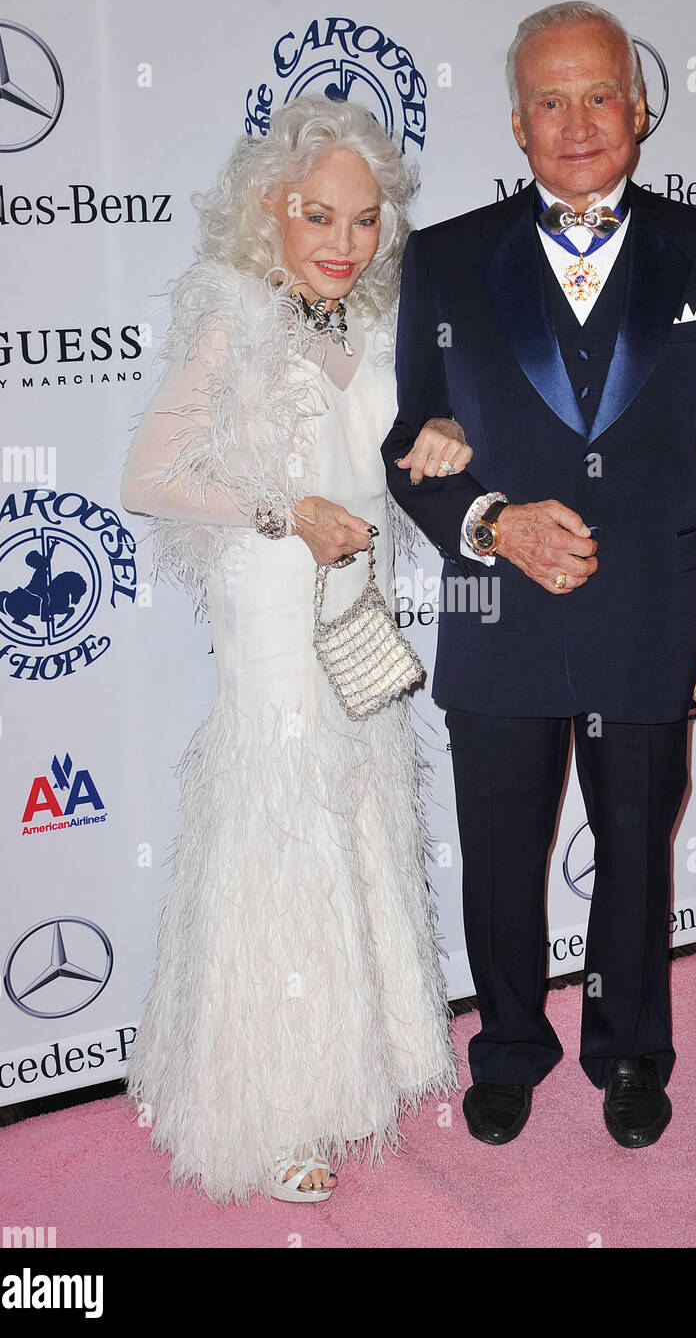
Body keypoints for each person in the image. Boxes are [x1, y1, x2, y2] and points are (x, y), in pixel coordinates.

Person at [382, 2, 696, 1150]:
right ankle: (506, 1043)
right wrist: (490, 522)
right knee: (501, 857)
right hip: (498, 614)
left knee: (634, 851)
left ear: (637, 104)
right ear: (514, 123)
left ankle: (629, 1047)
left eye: (596, 93)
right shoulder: (446, 260)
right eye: (546, 100)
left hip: (655, 611)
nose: (575, 121)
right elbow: (412, 445)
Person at [121, 96, 467, 1205]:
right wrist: (286, 512)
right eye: (318, 216)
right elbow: (151, 478)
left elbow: (391, 463)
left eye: (363, 222)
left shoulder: (371, 326)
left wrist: (439, 437)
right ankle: (268, 1109)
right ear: (270, 209)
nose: (341, 243)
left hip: (355, 618)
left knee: (355, 834)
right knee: (280, 849)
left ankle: (345, 1075)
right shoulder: (235, 321)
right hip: (272, 619)